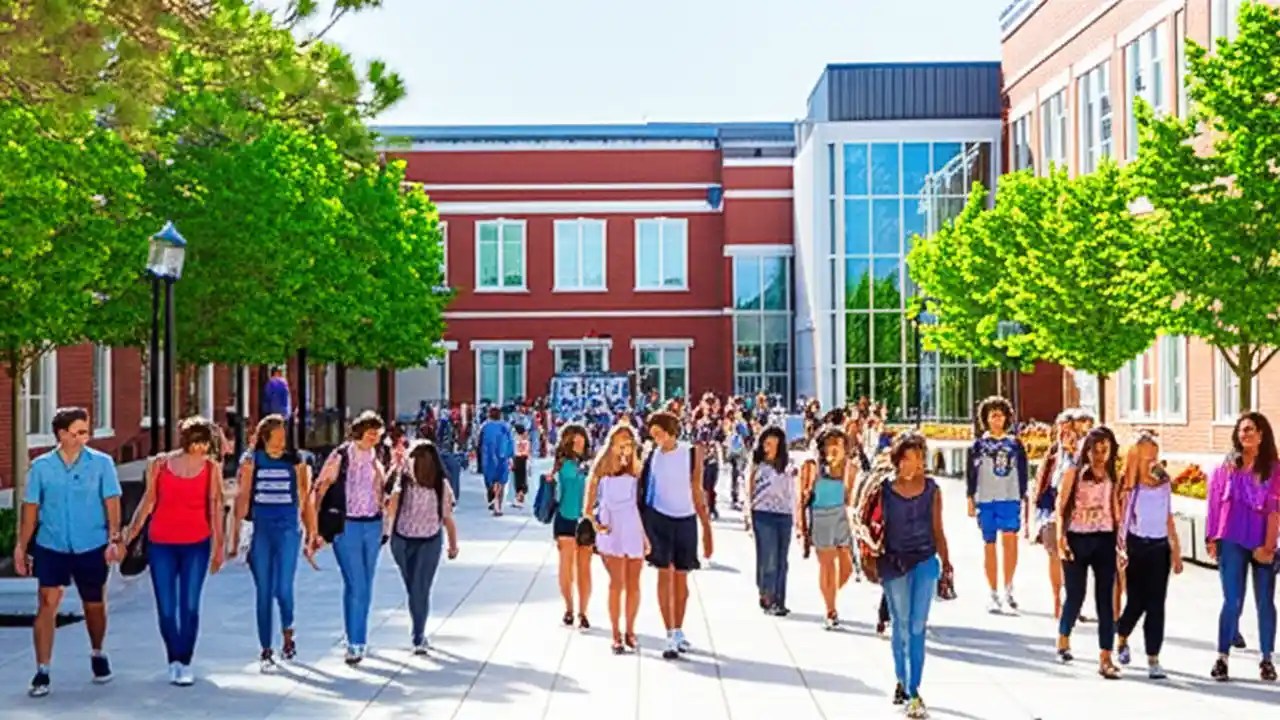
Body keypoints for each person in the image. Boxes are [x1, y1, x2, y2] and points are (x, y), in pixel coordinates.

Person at [15, 407, 123, 698]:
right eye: (76, 433)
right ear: (61, 434)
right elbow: (30, 510)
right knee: (47, 602)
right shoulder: (41, 467)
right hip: (52, 544)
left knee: (93, 604)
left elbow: (111, 501)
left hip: (91, 543)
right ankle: (43, 670)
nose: (82, 438)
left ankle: (98, 652)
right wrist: (21, 546)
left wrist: (115, 536)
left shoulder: (102, 463)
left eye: (85, 432)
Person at [125, 416, 226, 686]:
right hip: (161, 543)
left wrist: (220, 546)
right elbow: (148, 501)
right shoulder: (159, 464)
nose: (202, 449)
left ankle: (186, 660)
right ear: (186, 441)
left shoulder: (211, 468)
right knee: (167, 607)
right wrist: (130, 534)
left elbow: (216, 507)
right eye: (197, 443)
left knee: (190, 606)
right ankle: (173, 660)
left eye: (206, 444)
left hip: (197, 543)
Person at [876, 432, 952, 718]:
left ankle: (913, 689)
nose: (916, 463)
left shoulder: (932, 489)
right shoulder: (884, 489)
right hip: (893, 562)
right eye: (909, 457)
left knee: (918, 625)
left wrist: (946, 561)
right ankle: (903, 679)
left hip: (924, 559)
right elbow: (870, 525)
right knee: (901, 624)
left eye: (920, 457)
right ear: (898, 460)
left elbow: (938, 528)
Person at [234, 414, 313, 671]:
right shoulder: (252, 461)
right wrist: (236, 535)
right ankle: (266, 647)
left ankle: (288, 631)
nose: (281, 443)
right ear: (264, 438)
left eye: (283, 438)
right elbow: (243, 497)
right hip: (262, 530)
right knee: (264, 590)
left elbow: (305, 498)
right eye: (276, 438)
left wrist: (313, 533)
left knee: (283, 586)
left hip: (288, 530)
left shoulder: (296, 462)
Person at [309, 411, 389, 665]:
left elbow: (384, 489)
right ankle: (357, 642)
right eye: (369, 430)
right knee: (358, 583)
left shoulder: (380, 455)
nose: (373, 435)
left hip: (373, 524)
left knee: (363, 583)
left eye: (377, 431)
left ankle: (354, 634)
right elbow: (320, 488)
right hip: (347, 525)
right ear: (359, 431)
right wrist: (316, 529)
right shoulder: (342, 455)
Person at [1206, 411, 1280, 682]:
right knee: (1232, 599)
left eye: (1250, 429)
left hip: (1262, 541)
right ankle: (1222, 658)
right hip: (1231, 538)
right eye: (1241, 430)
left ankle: (1267, 659)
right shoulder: (1227, 467)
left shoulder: (1273, 468)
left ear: (1262, 434)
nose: (1245, 434)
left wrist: (1269, 547)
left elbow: (1275, 509)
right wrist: (1211, 538)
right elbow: (1214, 503)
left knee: (1265, 601)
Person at [639, 411, 713, 659]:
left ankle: (679, 629)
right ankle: (668, 632)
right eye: (653, 435)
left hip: (686, 519)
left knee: (682, 579)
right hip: (659, 518)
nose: (656, 439)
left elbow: (697, 488)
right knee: (664, 575)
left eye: (659, 433)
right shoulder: (651, 455)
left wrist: (706, 527)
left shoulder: (691, 453)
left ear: (671, 430)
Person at [1055, 426, 1123, 678]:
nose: (1100, 455)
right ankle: (1063, 637)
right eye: (1095, 449)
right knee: (1076, 594)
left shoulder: (1112, 474)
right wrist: (1061, 537)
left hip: (1104, 538)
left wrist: (1121, 542)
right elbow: (1060, 505)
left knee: (1105, 598)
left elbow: (1115, 508)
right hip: (1077, 537)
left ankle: (1106, 656)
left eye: (1105, 450)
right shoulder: (1074, 472)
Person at [1115, 431, 1182, 679]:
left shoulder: (1163, 483)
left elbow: (1168, 516)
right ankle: (1121, 636)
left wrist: (1176, 550)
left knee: (1156, 604)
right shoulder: (1130, 487)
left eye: (1155, 456)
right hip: (1136, 546)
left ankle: (1153, 657)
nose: (1152, 462)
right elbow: (1123, 521)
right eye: (1146, 458)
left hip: (1159, 547)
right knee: (1136, 602)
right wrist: (1120, 550)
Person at [386, 441, 460, 654]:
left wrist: (453, 545)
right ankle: (418, 631)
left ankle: (418, 634)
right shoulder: (404, 482)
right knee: (416, 588)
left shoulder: (440, 485)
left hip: (427, 540)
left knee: (419, 589)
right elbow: (390, 506)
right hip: (403, 539)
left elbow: (447, 517)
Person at [586, 423, 649, 654]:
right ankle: (615, 634)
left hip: (634, 528)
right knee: (617, 583)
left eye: (629, 443)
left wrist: (646, 536)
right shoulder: (601, 469)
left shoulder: (638, 469)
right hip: (610, 529)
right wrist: (595, 523)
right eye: (620, 443)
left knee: (634, 584)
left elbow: (644, 504)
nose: (624, 448)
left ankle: (630, 631)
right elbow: (588, 506)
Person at [966, 396, 1028, 614]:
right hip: (986, 498)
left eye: (1000, 415)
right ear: (986, 419)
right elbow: (971, 474)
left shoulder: (1015, 444)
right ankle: (992, 592)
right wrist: (970, 498)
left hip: (1009, 497)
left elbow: (1023, 472)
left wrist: (1023, 496)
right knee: (989, 545)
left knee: (1010, 542)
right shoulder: (978, 445)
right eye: (992, 415)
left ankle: (1008, 587)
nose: (996, 419)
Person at [798, 426, 856, 630]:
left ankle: (829, 593)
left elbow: (851, 496)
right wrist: (801, 526)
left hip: (840, 515)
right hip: (821, 516)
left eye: (839, 443)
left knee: (847, 567)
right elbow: (801, 496)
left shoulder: (849, 467)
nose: (835, 447)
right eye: (831, 443)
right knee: (828, 565)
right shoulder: (812, 465)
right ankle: (831, 609)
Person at [1030, 411, 1077, 619]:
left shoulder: (1082, 456)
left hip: (1074, 513)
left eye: (1069, 429)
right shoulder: (1051, 456)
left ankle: (1072, 599)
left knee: (1072, 558)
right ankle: (1057, 599)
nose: (1065, 433)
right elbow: (1040, 484)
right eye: (1061, 428)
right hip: (1050, 512)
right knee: (1054, 555)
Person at [744, 426, 795, 616]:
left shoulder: (788, 465)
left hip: (784, 514)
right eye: (766, 443)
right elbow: (748, 488)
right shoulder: (756, 464)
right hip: (762, 513)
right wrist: (747, 514)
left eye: (774, 444)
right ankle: (767, 595)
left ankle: (780, 600)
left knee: (782, 559)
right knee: (768, 557)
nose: (769, 448)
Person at [551, 424, 593, 628]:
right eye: (574, 441)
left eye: (581, 440)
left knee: (584, 568)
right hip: (565, 517)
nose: (578, 444)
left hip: (586, 519)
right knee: (566, 567)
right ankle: (569, 607)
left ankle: (583, 611)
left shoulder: (592, 464)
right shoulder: (561, 464)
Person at [478, 406, 514, 515]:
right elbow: (510, 442)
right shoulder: (505, 427)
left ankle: (493, 501)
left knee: (491, 481)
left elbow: (479, 443)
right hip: (502, 456)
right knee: (501, 482)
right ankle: (498, 506)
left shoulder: (485, 427)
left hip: (488, 457)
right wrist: (511, 456)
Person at [512, 425, 531, 508]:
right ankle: (520, 496)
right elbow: (527, 452)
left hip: (517, 460)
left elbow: (514, 451)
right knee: (523, 479)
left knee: (518, 480)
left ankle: (518, 497)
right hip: (523, 460)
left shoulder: (515, 441)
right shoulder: (526, 441)